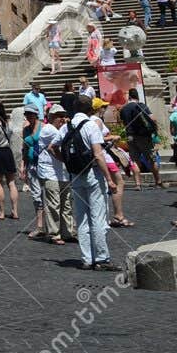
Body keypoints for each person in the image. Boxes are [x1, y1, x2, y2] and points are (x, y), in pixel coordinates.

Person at [58, 95, 116, 270]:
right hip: (92, 174)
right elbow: (98, 155)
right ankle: (101, 258)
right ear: (90, 109)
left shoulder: (66, 127)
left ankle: (87, 258)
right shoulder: (91, 125)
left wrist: (66, 162)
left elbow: (52, 147)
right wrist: (109, 178)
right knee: (97, 217)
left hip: (75, 175)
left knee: (81, 218)